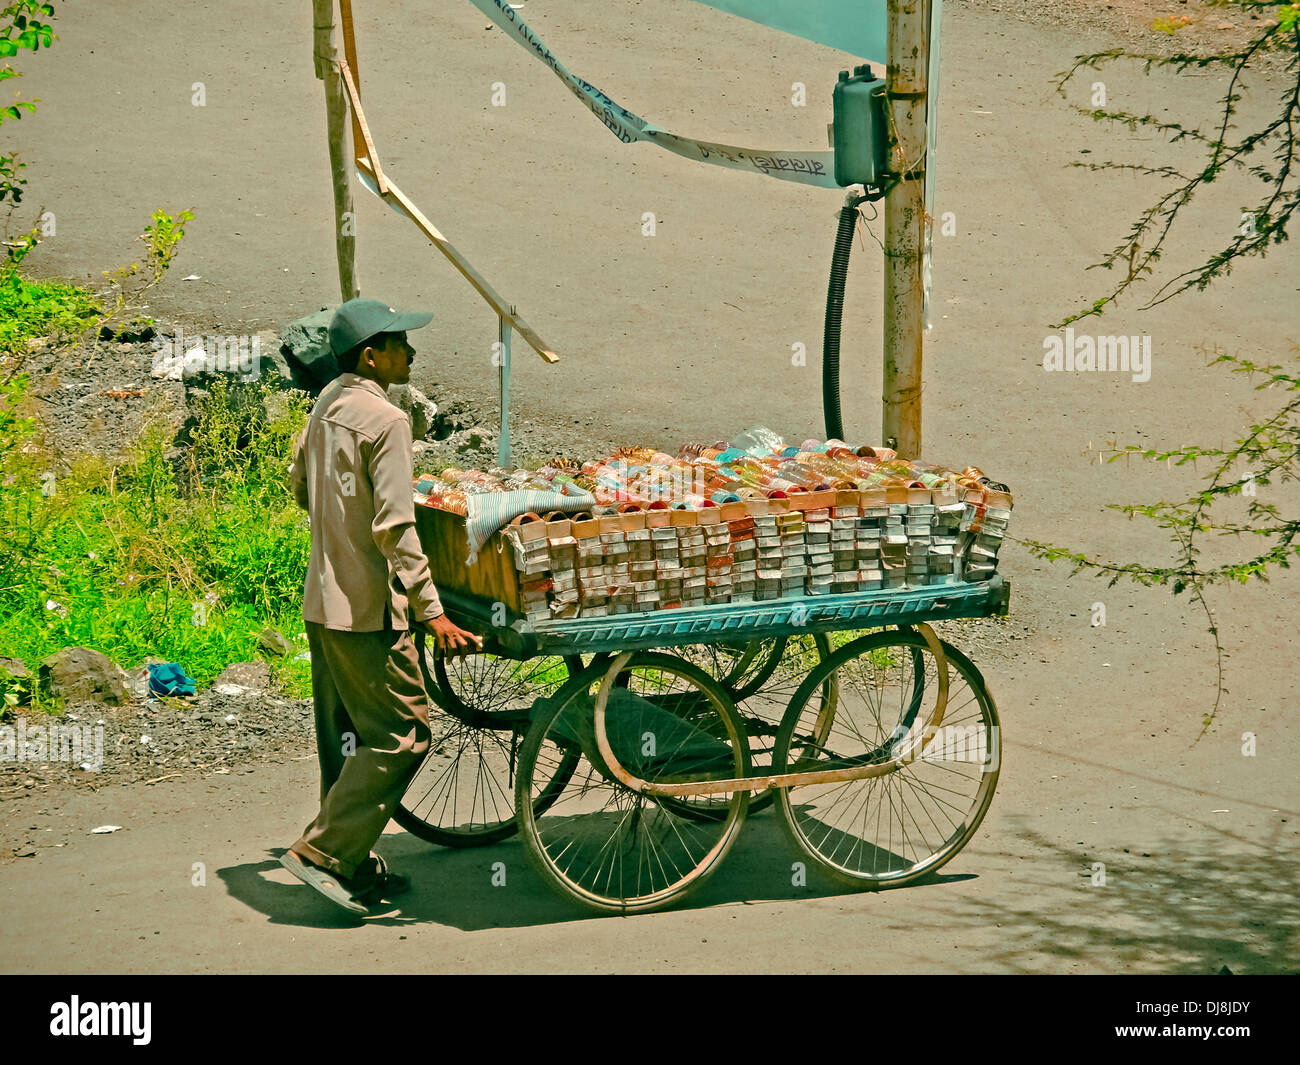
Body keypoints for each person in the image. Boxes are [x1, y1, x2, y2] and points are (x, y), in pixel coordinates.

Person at [280, 297, 481, 915]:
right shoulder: (387, 420)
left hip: (323, 601)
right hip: (368, 610)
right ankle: (324, 853)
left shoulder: (327, 405)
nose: (411, 352)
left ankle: (354, 865)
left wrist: (340, 526)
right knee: (403, 734)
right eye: (400, 343)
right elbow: (396, 526)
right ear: (373, 355)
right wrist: (432, 610)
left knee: (344, 737)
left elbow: (298, 486)